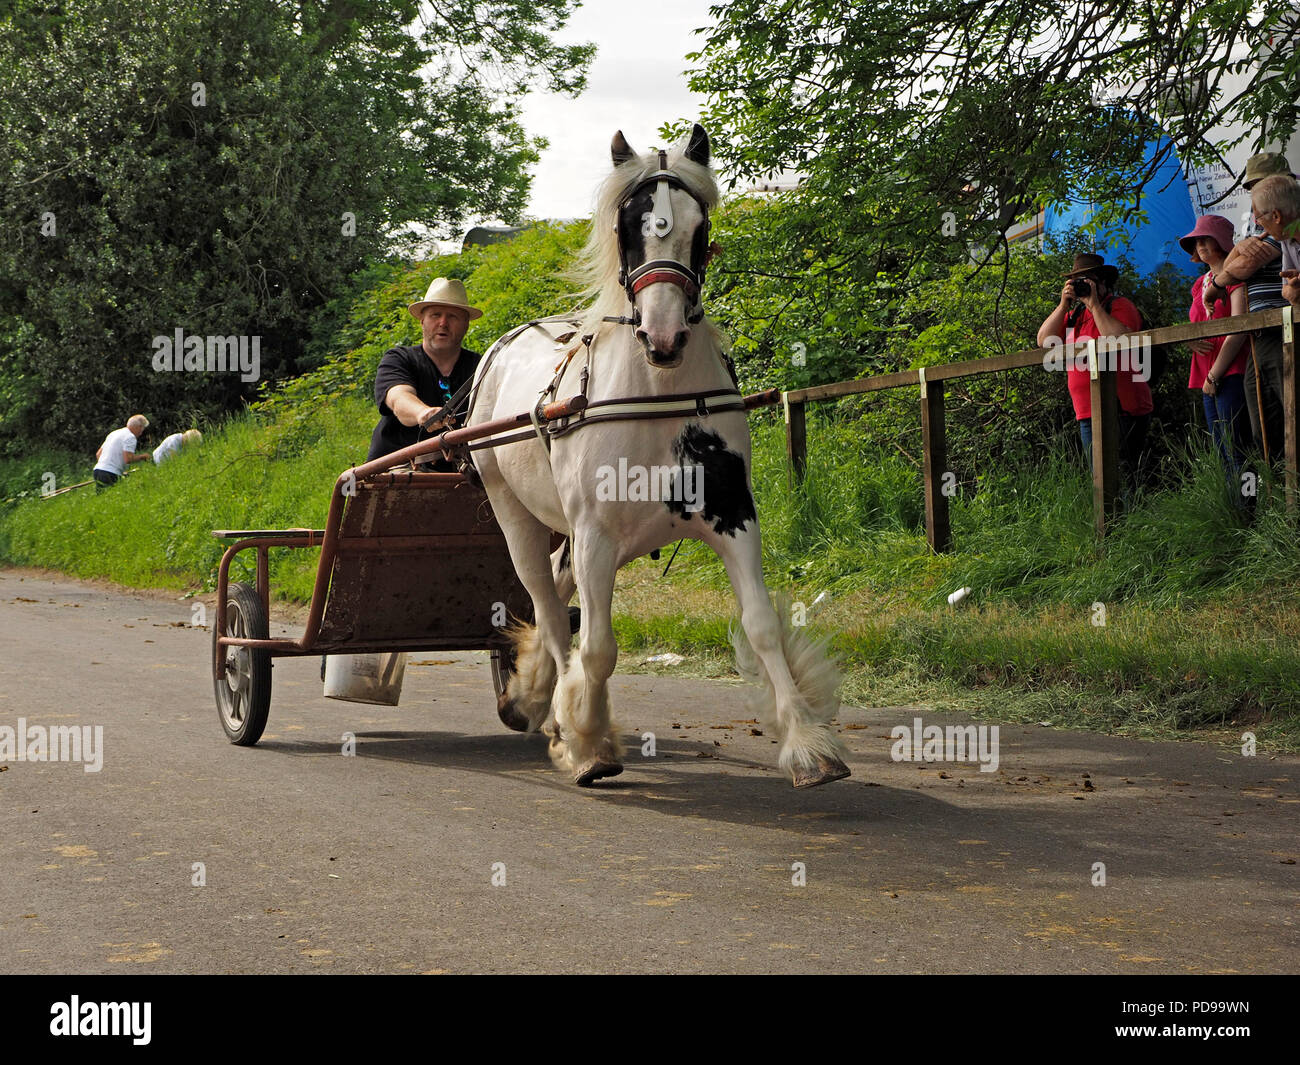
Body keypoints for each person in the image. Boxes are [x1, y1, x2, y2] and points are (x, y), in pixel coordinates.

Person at [1203, 174, 1300, 461]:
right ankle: (1283, 497)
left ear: (1278, 215)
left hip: (1279, 333)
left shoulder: (1280, 238)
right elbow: (1241, 257)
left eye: (1260, 217)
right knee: (1266, 430)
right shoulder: (1287, 241)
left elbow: (1244, 263)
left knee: (1291, 418)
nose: (1257, 225)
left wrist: (1217, 284)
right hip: (1266, 335)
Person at [1037, 253, 1151, 482]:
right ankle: (1110, 520)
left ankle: (1132, 519)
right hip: (1087, 410)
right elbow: (1044, 340)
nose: (1081, 285)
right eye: (1076, 281)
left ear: (1102, 282)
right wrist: (1063, 305)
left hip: (1121, 408)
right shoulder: (1074, 316)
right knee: (1100, 479)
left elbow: (1119, 338)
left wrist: (1095, 305)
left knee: (1124, 477)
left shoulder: (1118, 305)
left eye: (1086, 280)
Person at [367, 278, 482, 465]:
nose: (443, 323)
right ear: (422, 321)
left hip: (467, 472)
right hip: (398, 467)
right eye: (435, 315)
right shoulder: (398, 359)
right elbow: (398, 398)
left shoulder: (482, 366)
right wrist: (422, 413)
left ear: (466, 324)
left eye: (453, 316)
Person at [1178, 215, 1250, 481]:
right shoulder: (1199, 284)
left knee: (1238, 448)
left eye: (1206, 238)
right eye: (1196, 241)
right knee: (1221, 450)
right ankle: (1233, 510)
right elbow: (1196, 325)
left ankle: (1249, 509)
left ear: (1221, 240)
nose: (1200, 245)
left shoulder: (1236, 277)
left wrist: (1215, 374)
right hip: (1205, 374)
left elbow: (1238, 328)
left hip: (1230, 370)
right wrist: (1189, 339)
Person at [93, 414, 152, 487]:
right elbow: (128, 459)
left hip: (97, 470)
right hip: (110, 474)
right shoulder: (130, 437)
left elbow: (98, 454)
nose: (141, 433)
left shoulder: (114, 433)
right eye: (142, 429)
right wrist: (143, 457)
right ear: (138, 427)